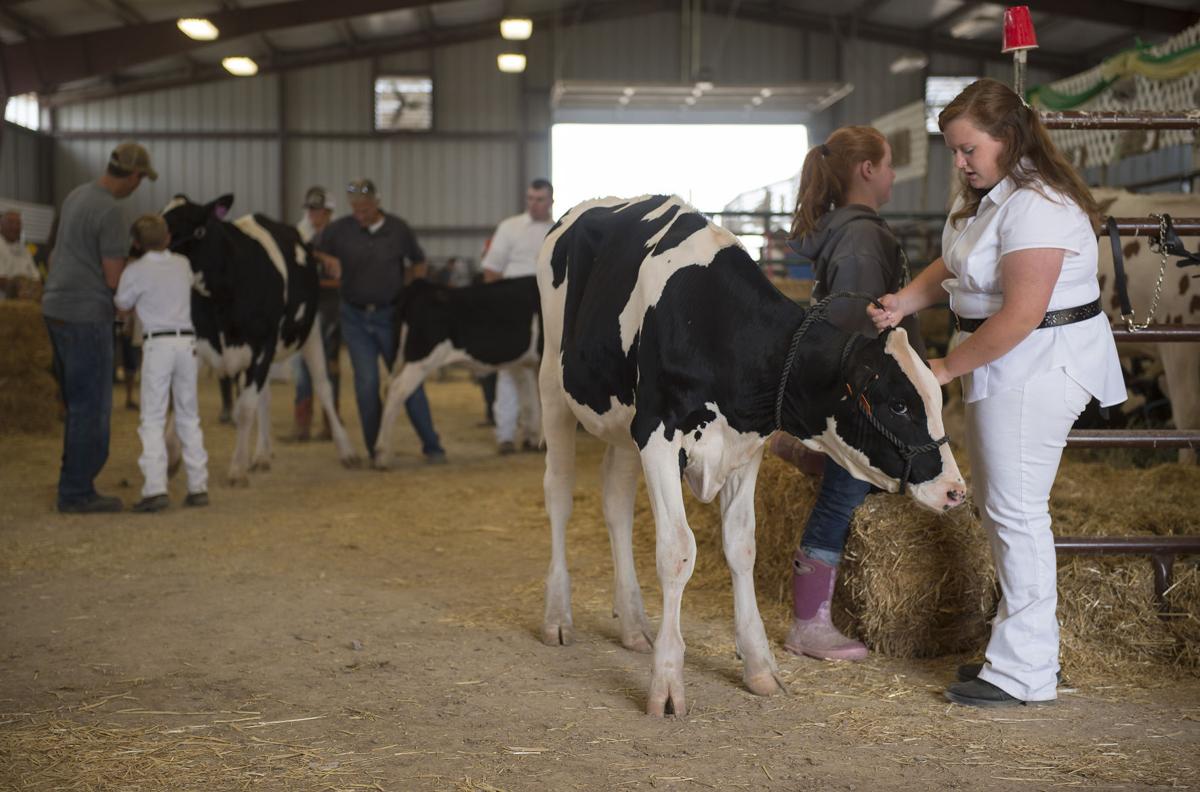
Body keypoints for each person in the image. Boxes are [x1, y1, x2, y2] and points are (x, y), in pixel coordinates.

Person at [868, 78, 1125, 707]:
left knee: (1017, 511)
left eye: (968, 149)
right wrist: (902, 302)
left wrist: (944, 369)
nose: (959, 162)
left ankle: (1024, 672)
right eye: (954, 151)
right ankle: (1020, 654)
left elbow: (1022, 314)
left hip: (1038, 364)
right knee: (1004, 507)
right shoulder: (991, 197)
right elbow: (956, 263)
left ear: (1008, 138)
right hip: (1004, 363)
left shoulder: (1038, 206)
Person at [777, 126, 924, 663]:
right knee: (843, 493)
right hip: (864, 395)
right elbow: (853, 324)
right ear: (867, 170)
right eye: (887, 165)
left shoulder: (853, 231)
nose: (892, 175)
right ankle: (808, 625)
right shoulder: (862, 239)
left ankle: (804, 452)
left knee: (855, 485)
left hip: (859, 389)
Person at [42, 141, 156, 513]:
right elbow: (112, 278)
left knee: (76, 401)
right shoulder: (110, 211)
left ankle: (72, 479)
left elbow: (58, 253)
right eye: (142, 179)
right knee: (91, 404)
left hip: (55, 307)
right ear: (134, 176)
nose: (139, 185)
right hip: (86, 315)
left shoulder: (76, 196)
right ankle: (76, 492)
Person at [317, 178, 446, 463]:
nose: (359, 214)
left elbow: (418, 261)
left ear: (377, 203)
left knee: (408, 380)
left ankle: (432, 445)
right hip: (354, 317)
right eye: (355, 208)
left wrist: (415, 292)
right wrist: (327, 260)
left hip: (391, 316)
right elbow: (316, 249)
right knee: (366, 384)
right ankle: (376, 447)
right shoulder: (339, 230)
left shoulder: (398, 229)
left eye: (365, 208)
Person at [114, 214, 209, 513]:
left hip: (158, 344)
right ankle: (198, 486)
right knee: (188, 415)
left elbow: (122, 304)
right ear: (167, 237)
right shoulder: (182, 263)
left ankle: (155, 488)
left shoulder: (135, 270)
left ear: (136, 243)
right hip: (187, 344)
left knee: (153, 418)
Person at [481, 178, 554, 454]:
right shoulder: (510, 227)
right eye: (531, 199)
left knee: (545, 375)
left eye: (540, 199)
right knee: (509, 371)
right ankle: (506, 435)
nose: (534, 204)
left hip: (547, 310)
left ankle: (538, 435)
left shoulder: (558, 231)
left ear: (551, 201)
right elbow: (491, 270)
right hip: (513, 309)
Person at [285, 186, 341, 442]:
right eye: (311, 210)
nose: (313, 214)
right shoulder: (302, 234)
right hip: (309, 306)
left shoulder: (338, 237)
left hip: (330, 306)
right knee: (303, 364)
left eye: (317, 210)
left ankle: (328, 421)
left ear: (328, 212)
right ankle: (305, 423)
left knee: (328, 364)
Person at [0, 210, 42, 300]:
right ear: (1, 225)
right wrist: (24, 287)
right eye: (10, 223)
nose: (15, 227)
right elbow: (1, 281)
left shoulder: (24, 249)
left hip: (26, 302)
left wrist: (27, 288)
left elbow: (37, 279)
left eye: (18, 223)